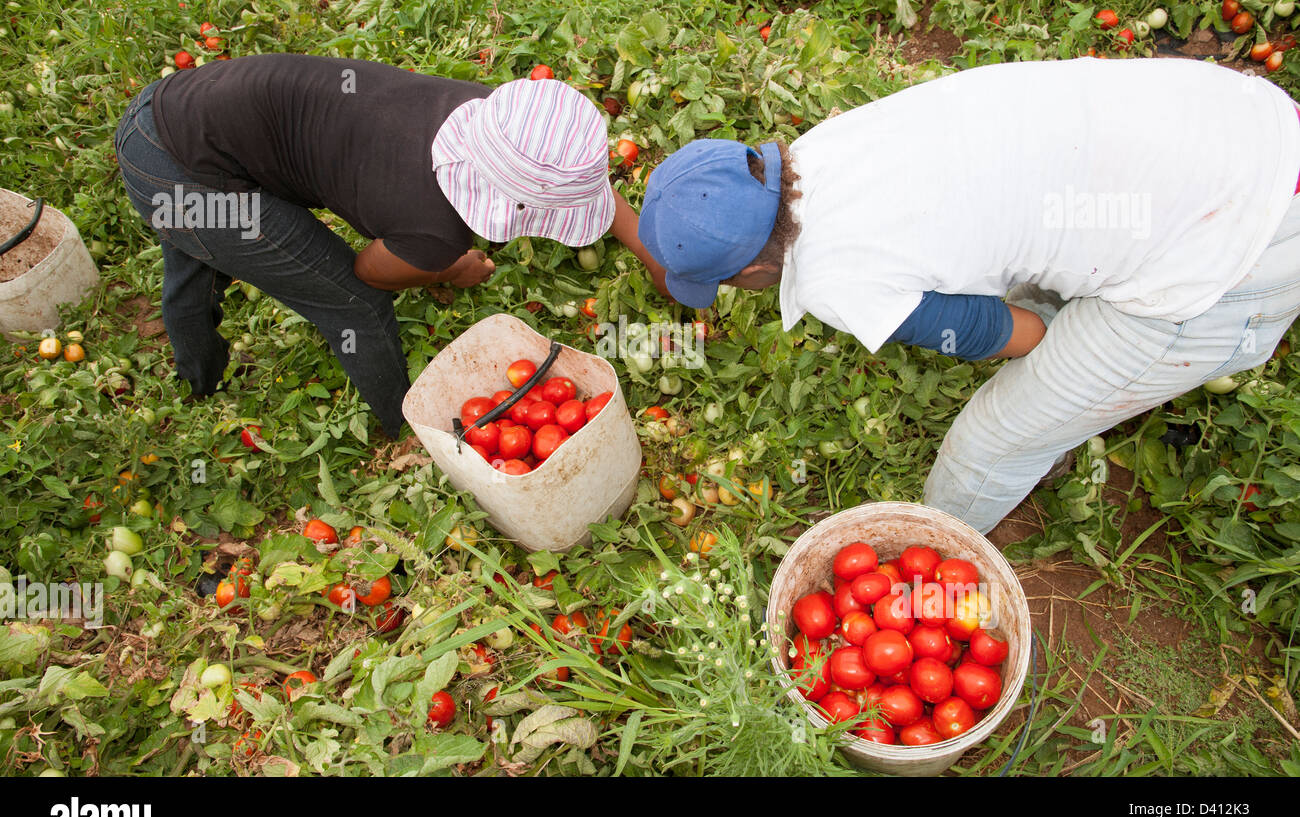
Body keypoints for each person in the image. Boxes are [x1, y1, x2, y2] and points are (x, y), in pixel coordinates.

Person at [636, 57, 1300, 534]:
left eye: (728, 283)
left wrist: (1052, 373)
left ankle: (928, 573)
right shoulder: (833, 146)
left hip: (1235, 249)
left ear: (753, 269)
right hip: (1240, 122)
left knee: (992, 442)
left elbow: (989, 329)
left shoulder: (836, 273)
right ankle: (1062, 417)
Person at [113, 53, 665, 439]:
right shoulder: (434, 228)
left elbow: (575, 178)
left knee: (198, 249)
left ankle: (198, 379)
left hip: (174, 111)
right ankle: (405, 429)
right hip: (181, 174)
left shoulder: (491, 116)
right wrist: (449, 269)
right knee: (351, 303)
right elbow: (371, 272)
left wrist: (659, 262)